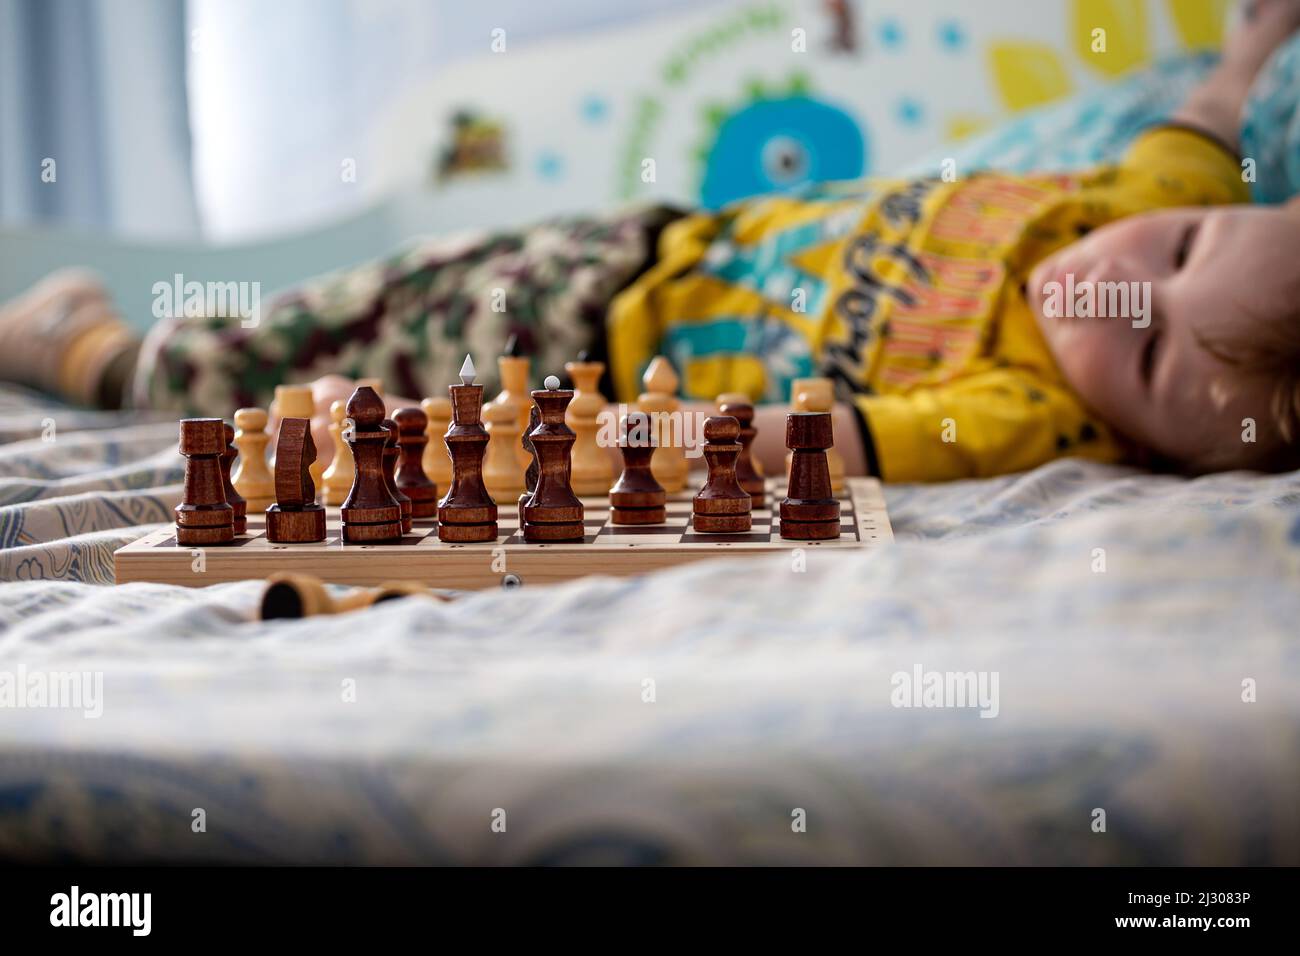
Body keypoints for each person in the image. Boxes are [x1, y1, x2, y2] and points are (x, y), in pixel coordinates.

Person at [2, 0, 1298, 481]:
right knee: (362, 293)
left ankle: (96, 358)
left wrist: (613, 444)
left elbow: (819, 446)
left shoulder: (1029, 414)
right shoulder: (1145, 191)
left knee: (305, 390)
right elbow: (1213, 105)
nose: (1118, 292)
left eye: (1142, 362)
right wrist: (1253, 37)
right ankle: (128, 338)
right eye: (1181, 251)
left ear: (1142, 439)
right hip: (628, 246)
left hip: (581, 374)